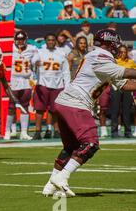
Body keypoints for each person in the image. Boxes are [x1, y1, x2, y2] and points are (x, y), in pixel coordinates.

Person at [42, 29, 136, 198]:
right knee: (90, 144)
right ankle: (62, 177)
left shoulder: (101, 59)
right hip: (75, 103)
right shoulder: (100, 56)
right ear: (108, 44)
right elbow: (126, 72)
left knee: (70, 148)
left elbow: (124, 84)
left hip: (67, 102)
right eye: (114, 44)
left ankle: (50, 184)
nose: (116, 48)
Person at [32, 34, 71, 140]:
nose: (51, 42)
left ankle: (57, 130)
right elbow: (33, 60)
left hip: (57, 84)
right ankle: (37, 131)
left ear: (55, 41)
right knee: (39, 109)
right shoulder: (39, 51)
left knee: (55, 110)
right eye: (49, 40)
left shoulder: (61, 53)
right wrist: (35, 63)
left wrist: (66, 86)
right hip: (42, 83)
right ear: (45, 41)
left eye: (53, 40)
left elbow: (66, 71)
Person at [4, 30, 37, 140]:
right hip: (14, 80)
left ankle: (23, 132)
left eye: (22, 39)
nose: (20, 41)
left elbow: (36, 62)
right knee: (11, 107)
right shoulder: (10, 48)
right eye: (18, 39)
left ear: (26, 39)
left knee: (25, 106)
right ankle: (7, 131)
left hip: (26, 80)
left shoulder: (32, 49)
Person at [110, 45, 136, 138]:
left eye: (124, 52)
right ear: (118, 52)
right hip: (116, 86)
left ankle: (128, 132)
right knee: (115, 110)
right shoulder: (114, 62)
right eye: (120, 52)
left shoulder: (131, 62)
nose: (122, 54)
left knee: (126, 110)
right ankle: (114, 132)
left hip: (127, 86)